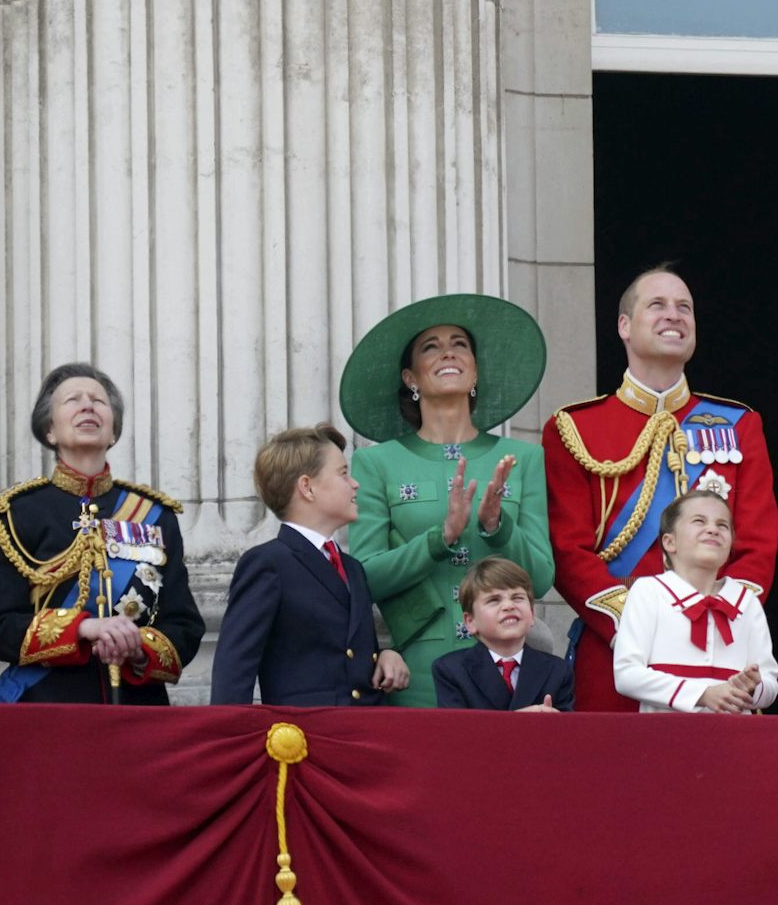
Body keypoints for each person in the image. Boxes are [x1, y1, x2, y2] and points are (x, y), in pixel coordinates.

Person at [543, 264, 778, 712]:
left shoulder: (739, 425)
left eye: (684, 307)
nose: (674, 315)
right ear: (624, 326)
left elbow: (758, 544)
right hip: (616, 647)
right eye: (658, 305)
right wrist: (640, 622)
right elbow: (567, 549)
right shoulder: (573, 428)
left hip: (719, 646)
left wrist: (727, 617)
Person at [341, 294, 556, 707]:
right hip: (416, 675)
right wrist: (439, 539)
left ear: (475, 370)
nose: (448, 352)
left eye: (460, 344)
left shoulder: (524, 458)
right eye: (431, 347)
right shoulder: (376, 463)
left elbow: (541, 578)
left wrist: (497, 527)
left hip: (507, 672)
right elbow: (364, 579)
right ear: (410, 377)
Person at [0, 363, 204, 703]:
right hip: (46, 706)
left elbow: (184, 625)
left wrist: (137, 648)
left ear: (113, 432)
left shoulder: (156, 516)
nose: (88, 406)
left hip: (138, 708)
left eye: (98, 401)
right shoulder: (14, 513)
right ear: (49, 430)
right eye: (73, 400)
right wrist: (84, 628)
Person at [210, 424, 411, 705]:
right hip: (304, 729)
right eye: (343, 473)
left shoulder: (352, 568)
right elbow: (233, 672)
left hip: (364, 725)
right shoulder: (268, 563)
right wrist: (232, 731)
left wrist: (384, 656)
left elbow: (349, 653)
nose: (355, 484)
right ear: (307, 487)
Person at [614, 488, 778, 714]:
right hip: (665, 732)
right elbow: (626, 674)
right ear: (670, 542)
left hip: (733, 733)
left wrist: (752, 687)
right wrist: (703, 695)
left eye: (723, 525)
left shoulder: (746, 601)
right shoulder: (648, 592)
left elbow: (770, 683)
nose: (713, 529)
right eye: (699, 521)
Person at [432, 557, 575, 711]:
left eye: (517, 598)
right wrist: (521, 721)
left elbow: (568, 725)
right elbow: (456, 726)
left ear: (532, 613)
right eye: (494, 600)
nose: (508, 606)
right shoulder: (451, 670)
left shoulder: (558, 671)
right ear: (470, 621)